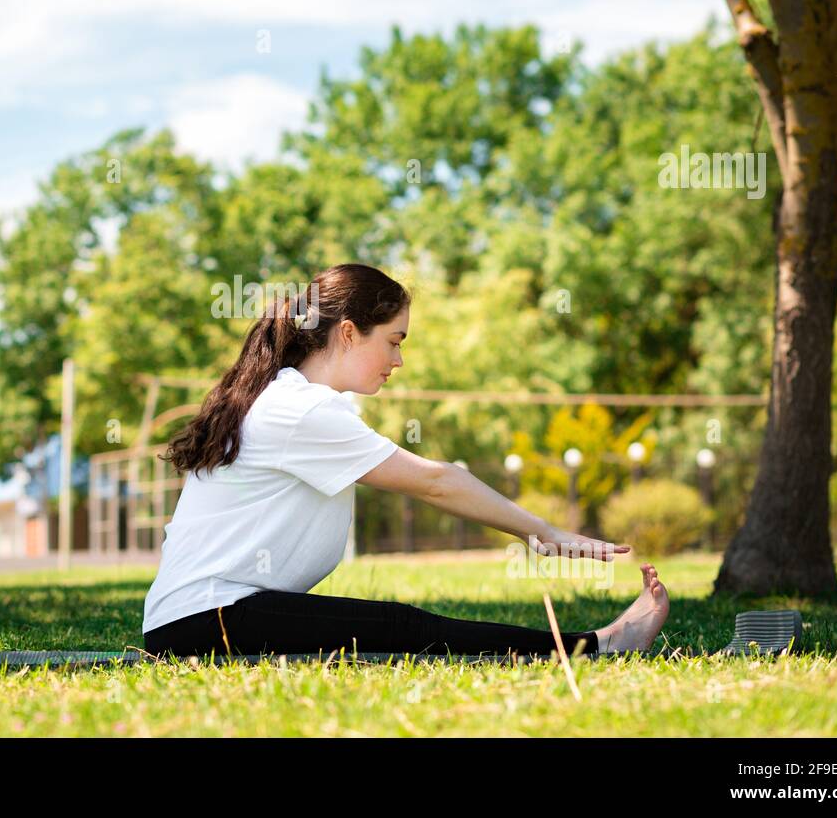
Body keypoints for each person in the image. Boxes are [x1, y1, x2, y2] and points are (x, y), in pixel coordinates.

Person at [142, 263, 669, 661]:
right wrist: (542, 532)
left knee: (395, 626)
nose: (398, 360)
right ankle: (600, 645)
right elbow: (436, 483)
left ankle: (597, 643)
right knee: (403, 628)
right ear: (348, 332)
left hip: (201, 617)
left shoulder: (288, 398)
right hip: (208, 620)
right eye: (393, 341)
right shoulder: (299, 408)